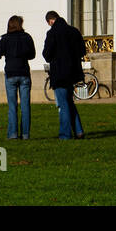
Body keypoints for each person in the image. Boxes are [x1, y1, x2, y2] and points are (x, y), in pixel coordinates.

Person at [42, 10, 86, 140]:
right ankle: (78, 131)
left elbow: (46, 54)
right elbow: (82, 50)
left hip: (59, 72)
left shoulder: (52, 33)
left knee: (63, 104)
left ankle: (65, 134)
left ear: (50, 21)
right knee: (69, 102)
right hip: (73, 72)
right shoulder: (74, 31)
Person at [0, 15, 37, 139]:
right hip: (24, 73)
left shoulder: (5, 39)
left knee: (12, 106)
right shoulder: (27, 37)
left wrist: (5, 53)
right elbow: (32, 55)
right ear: (20, 24)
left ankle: (12, 134)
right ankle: (25, 134)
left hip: (11, 74)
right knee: (25, 106)